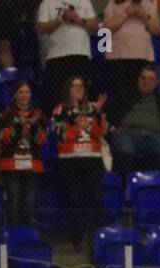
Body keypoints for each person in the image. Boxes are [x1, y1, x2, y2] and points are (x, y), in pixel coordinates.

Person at [52, 75, 107, 251]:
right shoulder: (61, 109)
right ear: (68, 90)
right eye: (74, 87)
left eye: (81, 87)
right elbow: (59, 132)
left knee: (97, 198)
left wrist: (98, 113)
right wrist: (74, 120)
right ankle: (77, 239)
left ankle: (99, 239)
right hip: (70, 160)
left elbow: (99, 133)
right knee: (75, 200)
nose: (78, 90)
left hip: (92, 159)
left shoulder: (92, 108)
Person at [106, 64, 160, 177]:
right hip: (125, 132)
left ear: (156, 82)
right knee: (125, 151)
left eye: (150, 79)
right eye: (143, 78)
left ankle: (148, 180)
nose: (146, 82)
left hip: (153, 135)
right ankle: (128, 184)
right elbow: (107, 112)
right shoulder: (124, 94)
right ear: (138, 80)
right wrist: (110, 126)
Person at [0, 81, 48, 228]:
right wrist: (18, 127)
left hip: (32, 164)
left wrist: (34, 127)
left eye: (27, 92)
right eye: (21, 92)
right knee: (14, 200)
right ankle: (14, 235)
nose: (24, 95)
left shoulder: (38, 115)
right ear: (15, 95)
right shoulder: (6, 114)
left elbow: (42, 140)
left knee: (29, 202)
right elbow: (2, 137)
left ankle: (27, 237)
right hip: (11, 164)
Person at [36, 0, 97, 109]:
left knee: (81, 95)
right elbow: (41, 27)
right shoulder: (47, 3)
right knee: (59, 96)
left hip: (80, 55)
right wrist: (61, 19)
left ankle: (83, 123)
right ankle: (60, 123)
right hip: (57, 57)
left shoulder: (84, 2)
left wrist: (77, 19)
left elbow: (94, 26)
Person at [101, 0, 160, 106]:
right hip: (118, 57)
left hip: (142, 55)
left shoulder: (149, 3)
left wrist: (144, 15)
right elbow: (105, 28)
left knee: (139, 94)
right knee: (119, 94)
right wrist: (126, 13)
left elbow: (156, 30)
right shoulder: (114, 2)